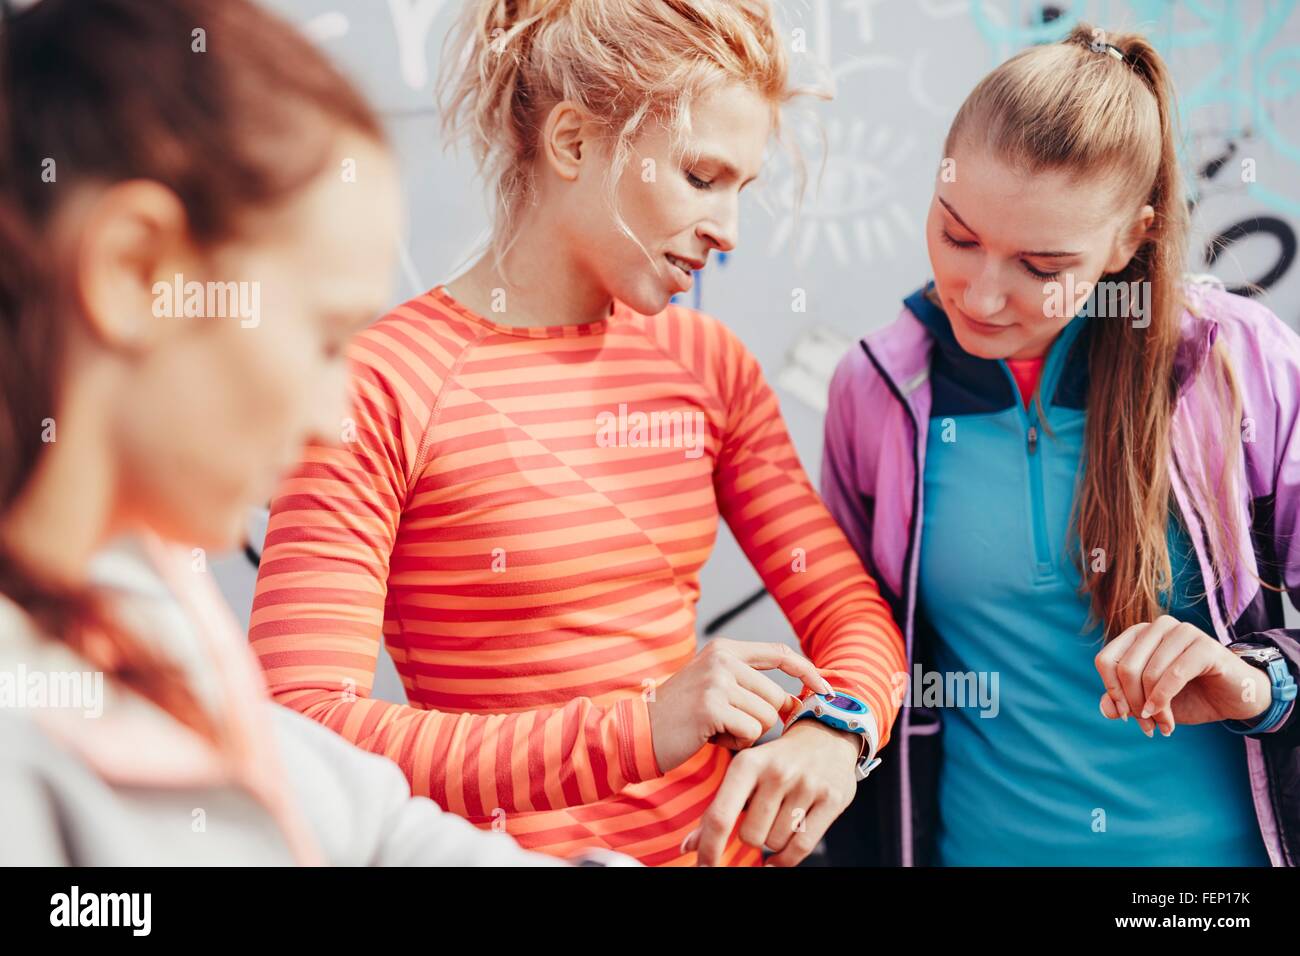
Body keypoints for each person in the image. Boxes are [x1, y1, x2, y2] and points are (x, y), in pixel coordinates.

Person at [250, 0, 906, 866]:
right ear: (572, 143)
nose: (729, 231)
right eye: (701, 178)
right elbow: (299, 731)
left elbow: (850, 613)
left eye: (742, 191)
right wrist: (636, 729)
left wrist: (839, 728)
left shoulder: (710, 365)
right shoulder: (379, 385)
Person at [0, 0, 568, 866]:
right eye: (325, 338)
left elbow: (371, 826)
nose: (333, 420)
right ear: (137, 271)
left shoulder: (140, 611)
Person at [821, 24, 1300, 866]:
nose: (980, 292)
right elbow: (849, 642)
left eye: (1042, 267)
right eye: (958, 234)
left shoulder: (1238, 361)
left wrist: (1258, 682)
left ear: (1131, 240)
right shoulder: (875, 390)